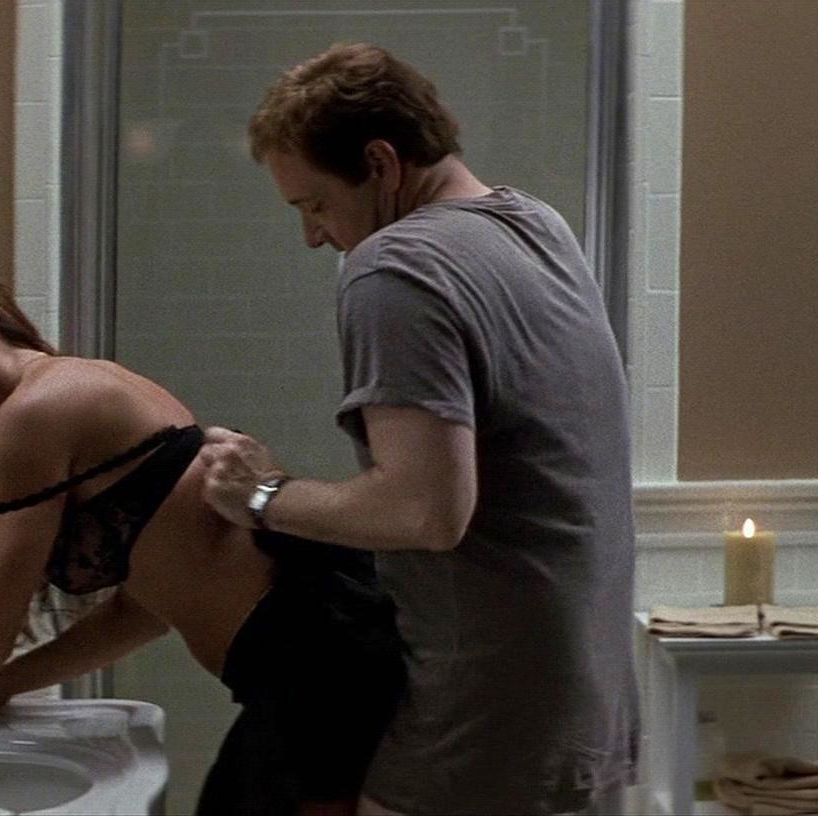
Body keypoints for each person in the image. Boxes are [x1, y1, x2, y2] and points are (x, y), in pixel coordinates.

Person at [0, 245, 403, 816]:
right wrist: (0, 685)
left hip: (323, 660)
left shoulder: (39, 409)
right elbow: (146, 609)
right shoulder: (55, 400)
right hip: (314, 662)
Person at [196, 43, 638, 815]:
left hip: (483, 712)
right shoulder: (537, 226)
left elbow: (424, 511)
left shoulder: (392, 266)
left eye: (314, 205)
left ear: (380, 163)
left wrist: (261, 495)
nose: (314, 236)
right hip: (583, 695)